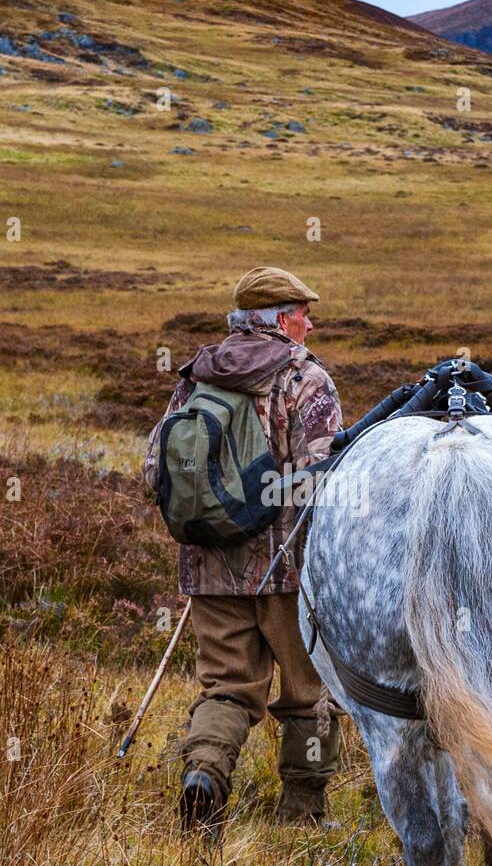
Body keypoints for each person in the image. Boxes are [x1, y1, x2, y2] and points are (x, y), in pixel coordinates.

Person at [143, 267, 344, 827]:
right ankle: (301, 815)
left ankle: (204, 775)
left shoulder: (196, 375)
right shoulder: (305, 377)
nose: (311, 321)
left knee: (227, 689)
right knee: (310, 695)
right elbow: (323, 479)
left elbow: (153, 470)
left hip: (208, 566)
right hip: (290, 572)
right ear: (282, 318)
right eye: (305, 311)